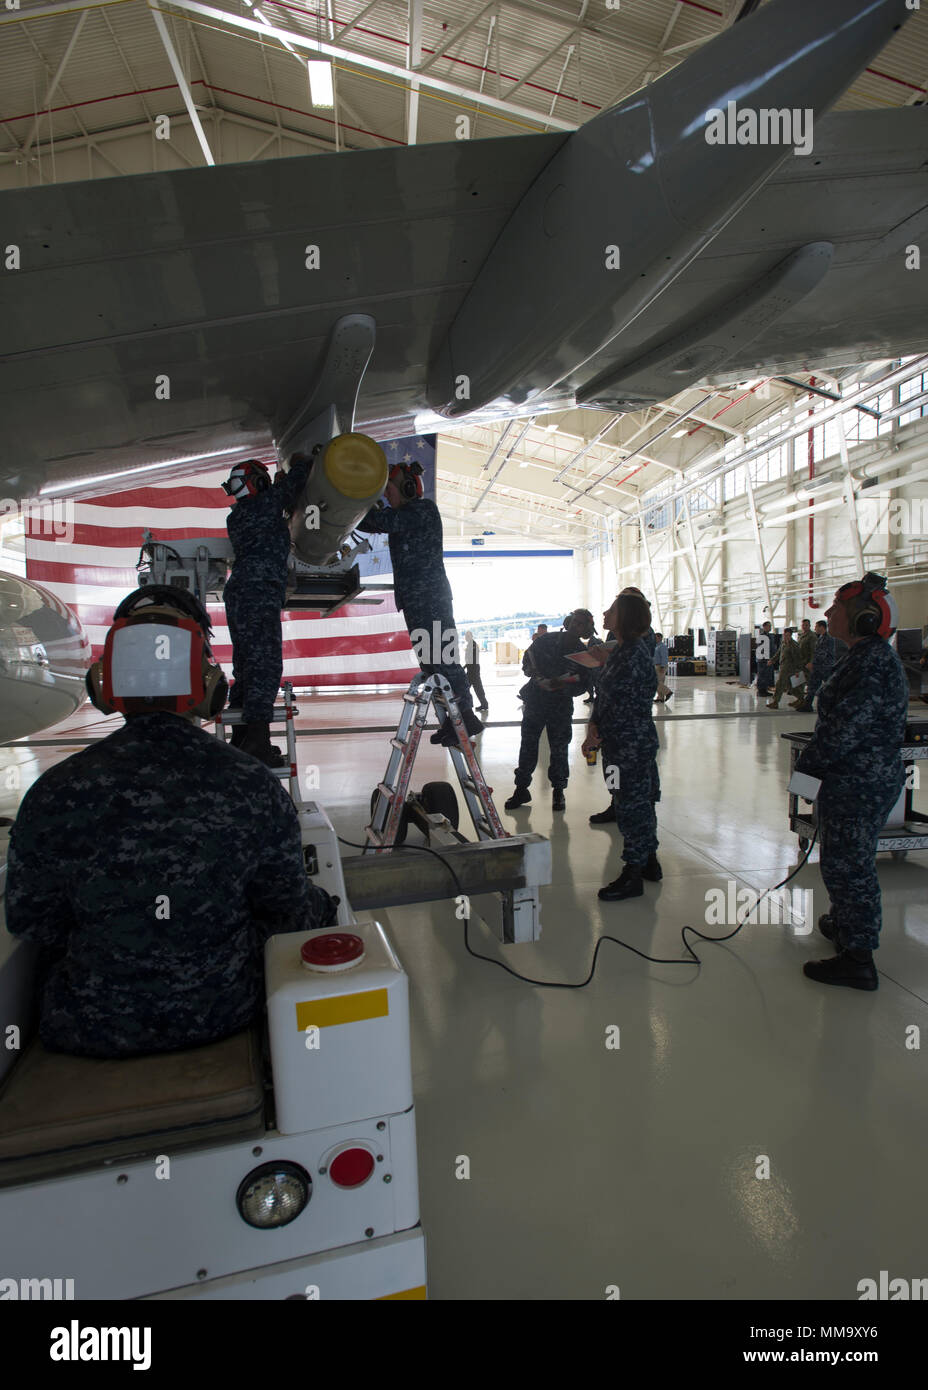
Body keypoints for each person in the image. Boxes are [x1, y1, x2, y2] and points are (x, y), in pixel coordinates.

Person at [4, 587, 338, 1059]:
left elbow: (31, 921)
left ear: (104, 684)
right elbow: (284, 905)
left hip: (86, 1024)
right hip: (225, 1010)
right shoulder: (249, 783)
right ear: (208, 687)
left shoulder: (54, 791)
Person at [794, 574, 907, 990]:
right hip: (854, 778)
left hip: (859, 782)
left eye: (837, 608)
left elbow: (845, 730)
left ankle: (858, 956)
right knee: (845, 859)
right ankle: (844, 923)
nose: (828, 614)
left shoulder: (871, 661)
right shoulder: (860, 657)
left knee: (850, 866)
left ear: (862, 617)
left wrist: (807, 769)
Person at [356, 462, 482, 747]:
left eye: (388, 489)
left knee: (445, 660)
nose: (387, 496)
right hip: (416, 599)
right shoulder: (405, 514)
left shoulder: (421, 510)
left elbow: (377, 522)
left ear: (408, 488)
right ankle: (452, 721)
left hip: (430, 598)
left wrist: (357, 500)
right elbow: (374, 521)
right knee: (431, 665)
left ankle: (465, 717)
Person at [222, 453, 312, 767]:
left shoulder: (239, 515)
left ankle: (243, 739)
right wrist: (302, 463)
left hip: (242, 592)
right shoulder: (264, 505)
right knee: (265, 666)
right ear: (258, 483)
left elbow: (280, 501)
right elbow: (292, 488)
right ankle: (257, 743)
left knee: (247, 666)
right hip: (259, 591)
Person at [582, 591, 661, 900]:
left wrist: (595, 734)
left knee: (633, 806)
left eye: (612, 610)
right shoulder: (621, 651)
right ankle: (649, 861)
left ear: (624, 618)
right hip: (617, 745)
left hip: (629, 744)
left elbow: (620, 704)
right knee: (626, 797)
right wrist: (594, 728)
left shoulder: (632, 654)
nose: (605, 613)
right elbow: (606, 696)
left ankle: (633, 873)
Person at [504, 609, 595, 812]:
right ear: (568, 622)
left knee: (559, 749)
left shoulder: (583, 654)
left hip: (560, 705)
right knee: (528, 746)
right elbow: (527, 660)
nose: (576, 626)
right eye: (575, 622)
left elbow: (585, 684)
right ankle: (521, 789)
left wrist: (564, 686)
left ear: (586, 630)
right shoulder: (547, 640)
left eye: (582, 625)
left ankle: (559, 791)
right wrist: (538, 678)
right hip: (536, 700)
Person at [793, 619, 835, 712]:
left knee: (830, 687)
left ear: (821, 627)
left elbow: (822, 654)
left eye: (816, 626)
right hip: (818, 667)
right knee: (812, 686)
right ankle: (807, 705)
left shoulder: (828, 638)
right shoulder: (820, 637)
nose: (815, 628)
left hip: (825, 667)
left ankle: (833, 704)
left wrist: (812, 663)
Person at [766, 627, 803, 709]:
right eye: (785, 635)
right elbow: (779, 653)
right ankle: (801, 699)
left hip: (790, 669)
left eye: (788, 635)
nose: (786, 637)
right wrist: (772, 660)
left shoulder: (794, 645)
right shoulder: (783, 643)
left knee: (780, 685)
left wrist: (797, 670)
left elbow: (798, 659)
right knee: (790, 686)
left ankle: (775, 702)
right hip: (783, 667)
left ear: (791, 635)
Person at [790, 618, 815, 706]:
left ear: (809, 626)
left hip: (806, 663)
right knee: (798, 683)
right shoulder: (801, 635)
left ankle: (804, 702)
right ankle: (800, 699)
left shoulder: (812, 636)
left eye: (806, 625)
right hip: (800, 663)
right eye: (803, 625)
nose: (804, 627)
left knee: (803, 683)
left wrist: (811, 662)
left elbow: (813, 651)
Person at [463, 630, 489, 712]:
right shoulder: (471, 644)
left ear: (471, 636)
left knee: (467, 688)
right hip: (472, 669)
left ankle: (467, 706)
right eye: (465, 636)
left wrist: (465, 667)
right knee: (475, 688)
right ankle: (484, 704)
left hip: (473, 670)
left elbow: (472, 659)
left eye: (467, 636)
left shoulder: (472, 645)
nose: (466, 637)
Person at [755, 621, 779, 697]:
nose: (770, 627)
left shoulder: (769, 636)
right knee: (762, 675)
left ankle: (765, 689)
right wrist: (765, 659)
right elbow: (761, 649)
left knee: (767, 675)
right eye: (768, 626)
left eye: (770, 626)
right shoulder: (762, 636)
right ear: (764, 627)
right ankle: (761, 690)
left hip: (769, 659)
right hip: (763, 660)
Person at [653, 632, 672, 703]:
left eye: (656, 637)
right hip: (656, 665)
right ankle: (660, 698)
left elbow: (664, 657)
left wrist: (662, 666)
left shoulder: (662, 646)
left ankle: (668, 692)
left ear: (660, 638)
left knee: (656, 682)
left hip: (660, 666)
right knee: (659, 682)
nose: (654, 639)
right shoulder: (656, 646)